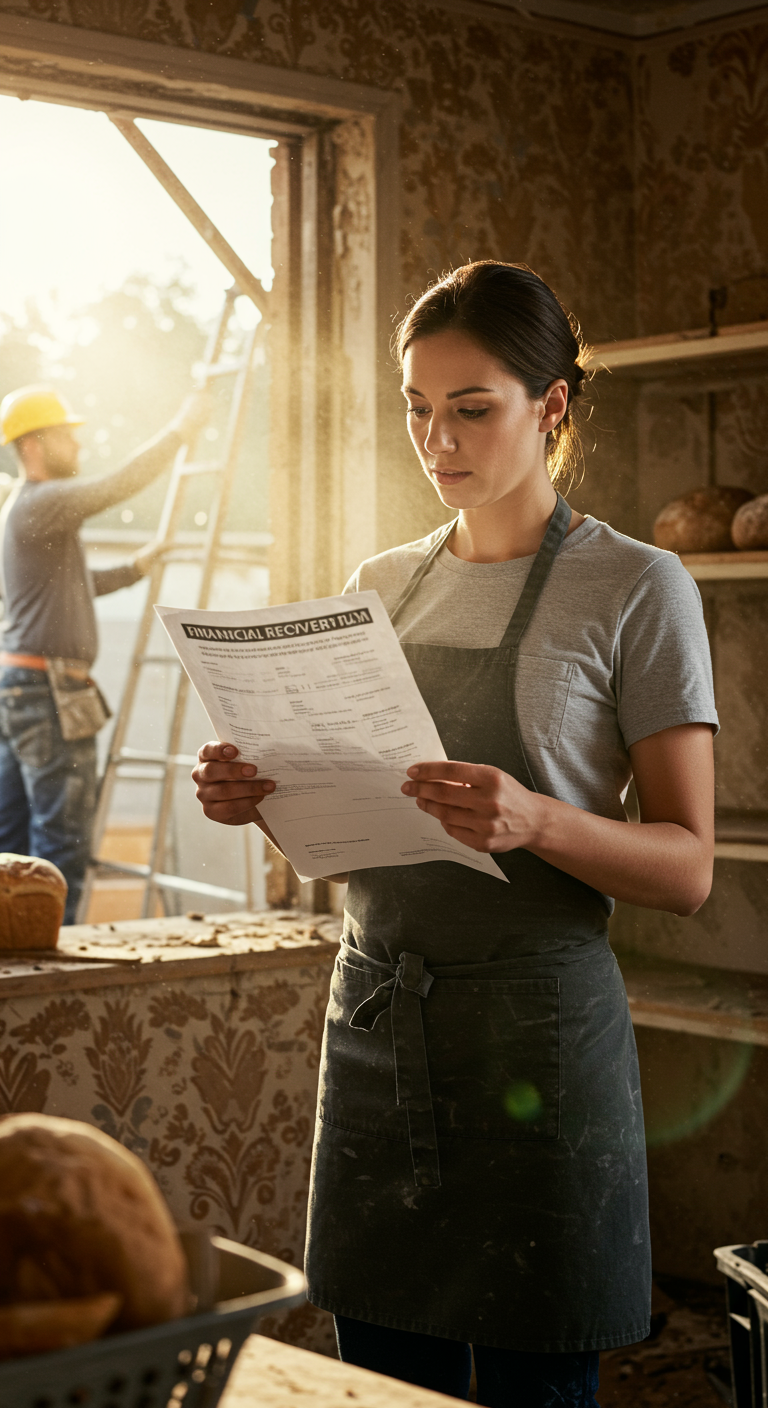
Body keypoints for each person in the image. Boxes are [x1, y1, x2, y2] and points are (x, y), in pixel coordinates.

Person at [191, 262, 718, 1407]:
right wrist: (261, 797)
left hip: (539, 1040)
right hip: (379, 1024)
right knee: (380, 1384)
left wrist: (533, 816)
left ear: (553, 406)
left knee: (537, 1382)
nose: (438, 440)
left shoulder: (638, 586)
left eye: (472, 407)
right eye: (418, 410)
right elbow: (347, 826)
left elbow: (687, 865)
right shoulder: (378, 584)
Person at [0, 383, 208, 923]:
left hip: (22, 685)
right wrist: (181, 431)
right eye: (67, 437)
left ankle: (16, 956)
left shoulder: (28, 513)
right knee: (59, 842)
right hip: (48, 692)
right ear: (33, 446)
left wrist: (135, 568)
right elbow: (119, 484)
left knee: (12, 839)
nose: (78, 446)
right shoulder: (43, 502)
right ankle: (52, 964)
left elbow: (76, 583)